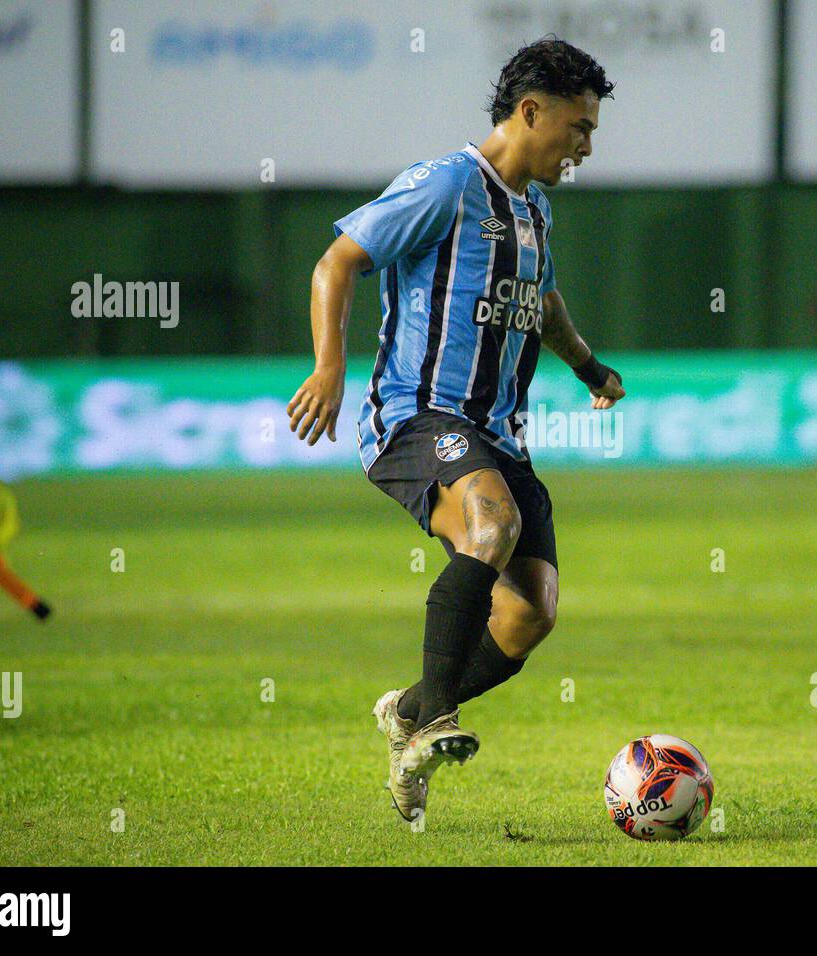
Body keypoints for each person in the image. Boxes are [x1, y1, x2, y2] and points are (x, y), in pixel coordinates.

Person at [287, 37, 624, 822]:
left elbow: (540, 302)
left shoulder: (535, 208)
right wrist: (330, 367)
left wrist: (586, 367)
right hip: (416, 414)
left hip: (498, 433)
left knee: (529, 612)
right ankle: (433, 723)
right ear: (530, 111)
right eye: (579, 126)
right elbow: (337, 263)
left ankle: (411, 709)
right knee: (492, 523)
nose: (586, 145)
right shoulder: (444, 186)